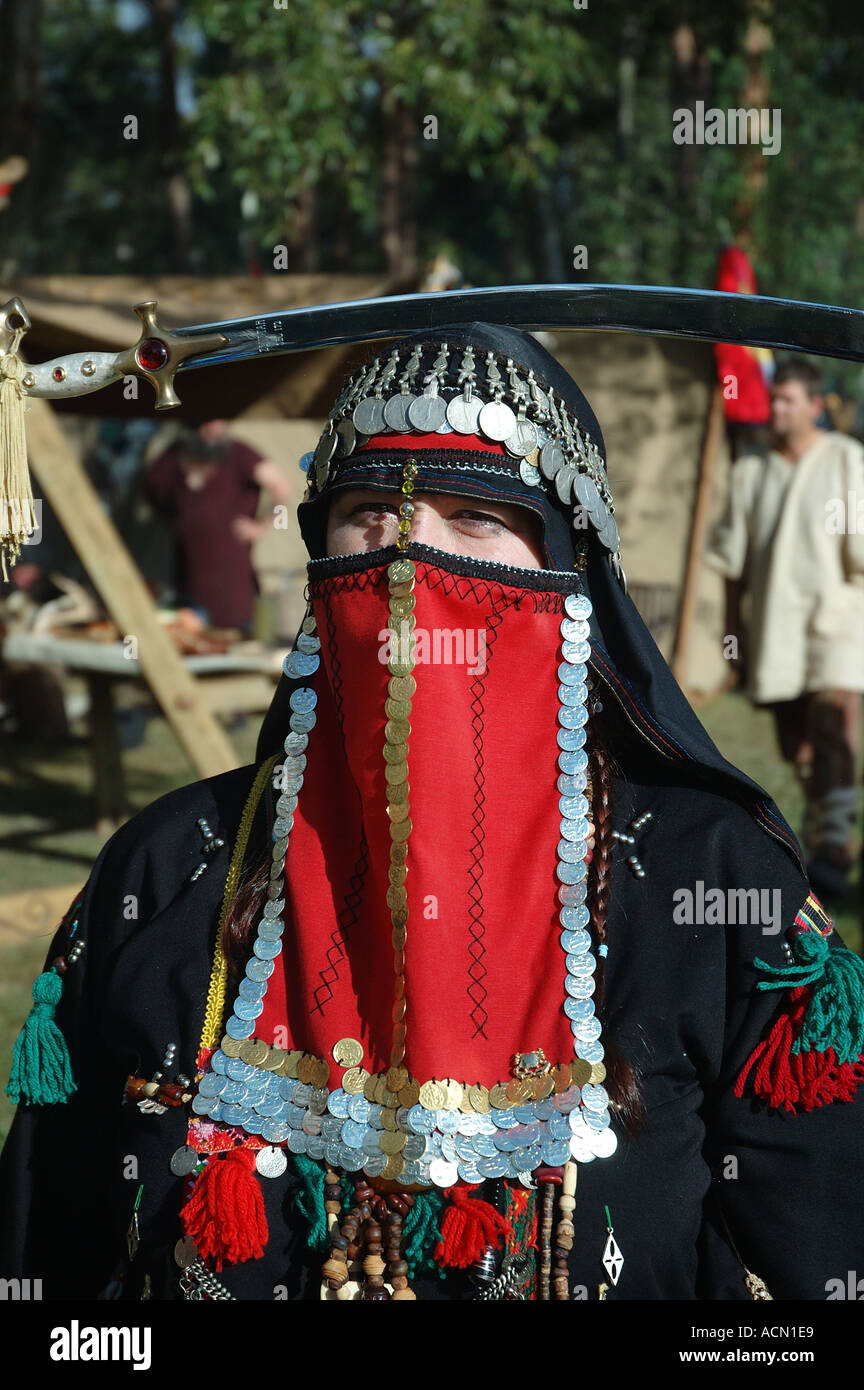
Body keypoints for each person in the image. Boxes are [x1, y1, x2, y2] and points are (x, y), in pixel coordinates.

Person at [2, 323, 863, 1303]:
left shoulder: (717, 892)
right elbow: (46, 1264)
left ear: (567, 569)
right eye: (369, 510)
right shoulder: (166, 870)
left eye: (476, 515)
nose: (408, 558)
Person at [706, 359, 864, 902]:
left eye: (788, 400)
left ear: (816, 406)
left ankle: (835, 852)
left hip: (840, 620)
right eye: (774, 400)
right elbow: (731, 563)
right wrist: (733, 634)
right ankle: (824, 835)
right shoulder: (752, 470)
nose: (775, 409)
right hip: (775, 626)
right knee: (798, 745)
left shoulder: (847, 461)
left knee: (835, 721)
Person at [144, 419, 293, 634]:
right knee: (190, 637)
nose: (213, 428)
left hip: (233, 585)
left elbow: (282, 487)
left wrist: (260, 527)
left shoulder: (240, 454)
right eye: (206, 421)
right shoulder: (175, 456)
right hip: (189, 584)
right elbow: (151, 487)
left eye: (218, 421)